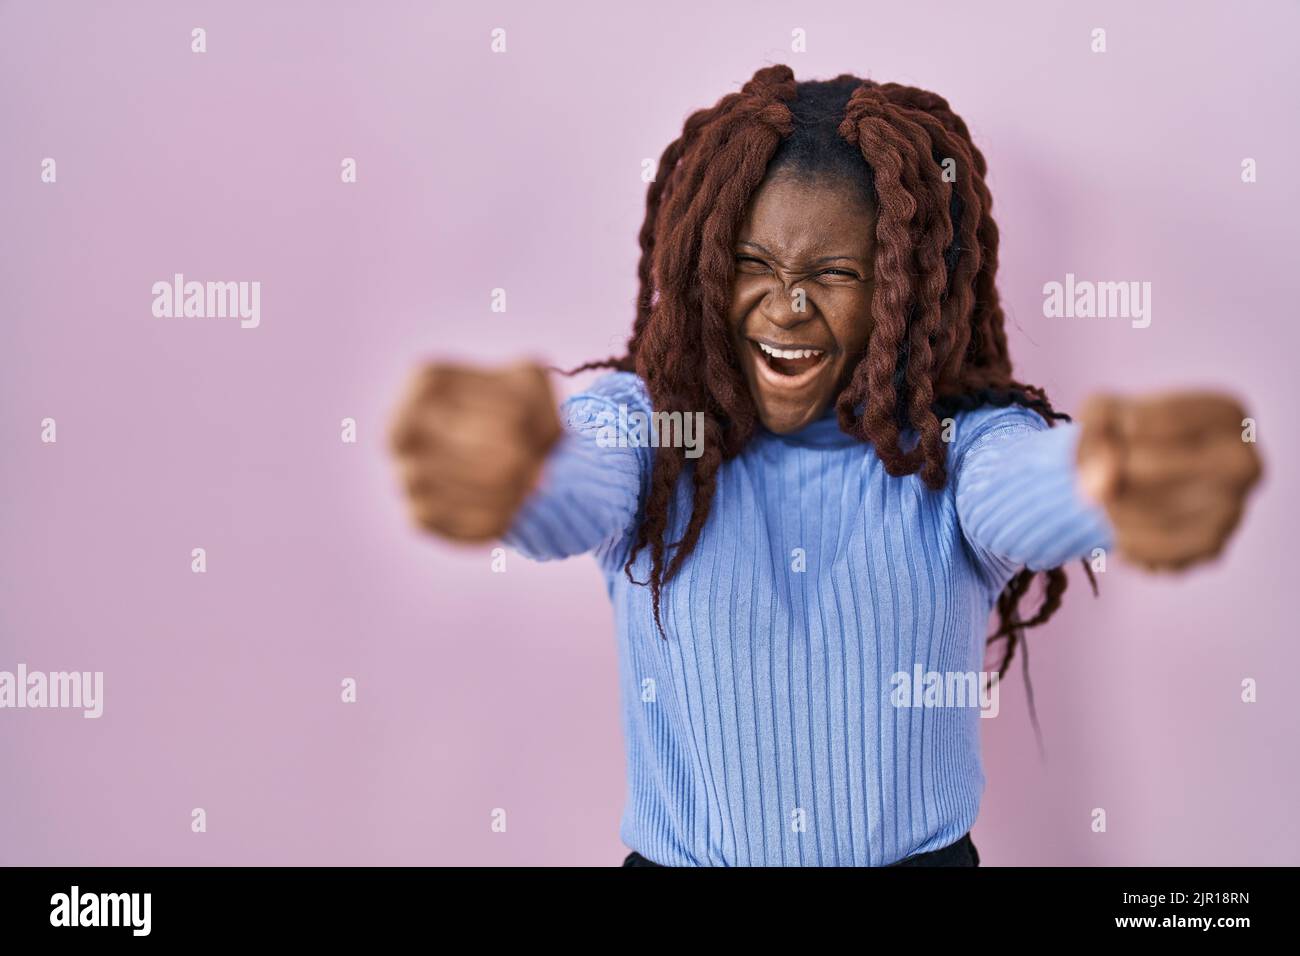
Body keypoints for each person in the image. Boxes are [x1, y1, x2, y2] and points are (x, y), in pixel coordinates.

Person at [388, 67, 1262, 867]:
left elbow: (1025, 485)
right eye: (751, 265)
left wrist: (1106, 478)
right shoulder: (658, 431)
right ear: (699, 267)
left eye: (834, 272)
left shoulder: (948, 452)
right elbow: (580, 478)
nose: (788, 306)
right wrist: (521, 473)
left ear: (898, 288)